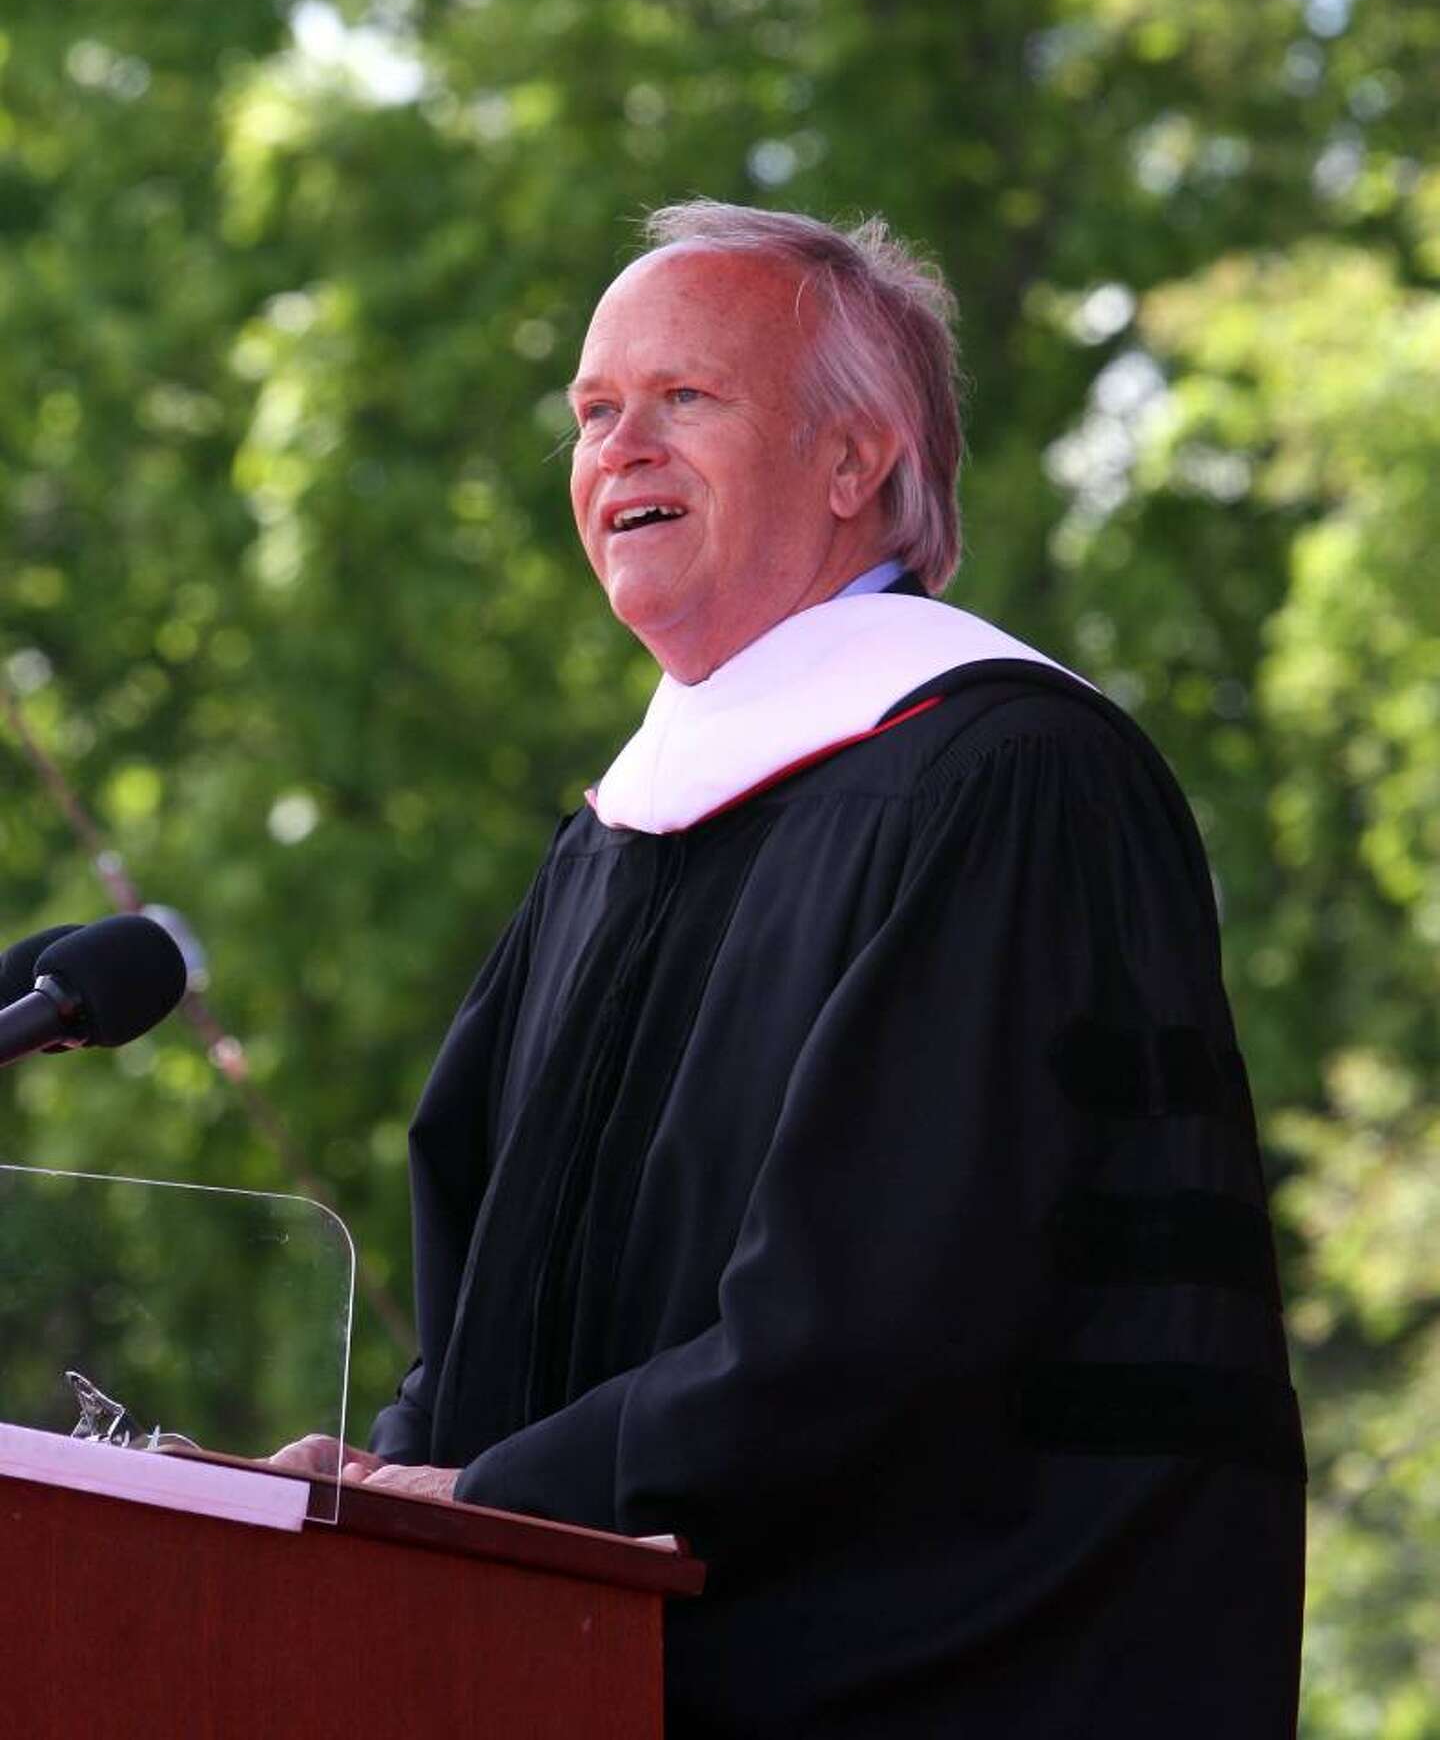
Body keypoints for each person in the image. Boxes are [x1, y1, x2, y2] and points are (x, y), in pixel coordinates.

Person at [278, 202, 1305, 1736]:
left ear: (854, 461)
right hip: (586, 1662)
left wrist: (497, 1492)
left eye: (684, 398)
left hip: (936, 1680)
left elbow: (896, 1308)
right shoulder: (620, 833)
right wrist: (394, 1477)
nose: (619, 446)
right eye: (592, 413)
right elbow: (490, 1277)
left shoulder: (1013, 783)